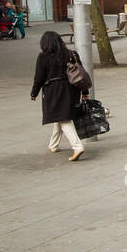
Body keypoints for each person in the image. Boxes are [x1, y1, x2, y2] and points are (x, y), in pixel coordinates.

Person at [29, 31, 86, 161]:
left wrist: (34, 93)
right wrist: (85, 92)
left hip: (54, 90)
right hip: (72, 89)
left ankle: (77, 146)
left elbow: (39, 78)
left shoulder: (43, 57)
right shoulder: (72, 54)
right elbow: (81, 74)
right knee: (61, 115)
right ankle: (53, 145)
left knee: (64, 119)